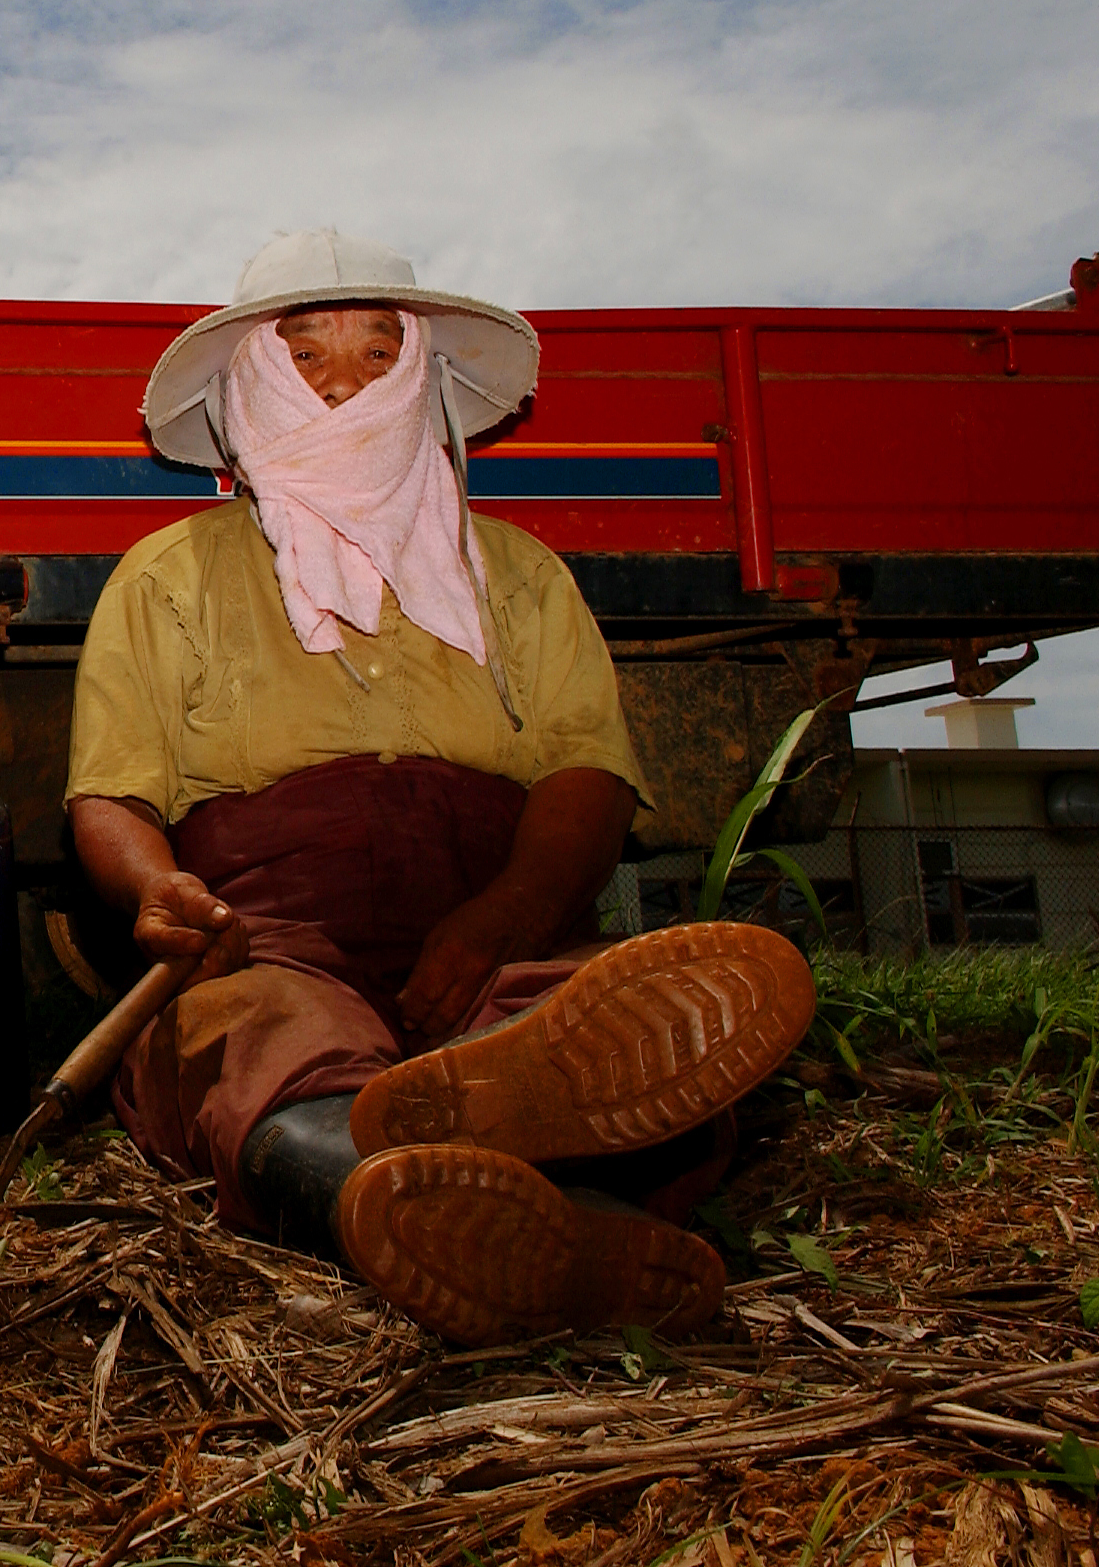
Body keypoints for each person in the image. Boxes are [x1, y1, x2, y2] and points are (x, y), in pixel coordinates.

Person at [65, 227, 816, 1346]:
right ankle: (524, 1220)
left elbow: (583, 772)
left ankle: (501, 1157)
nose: (341, 386)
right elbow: (110, 793)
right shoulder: (166, 573)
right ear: (248, 386)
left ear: (418, 376)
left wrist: (499, 918)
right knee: (264, 1039)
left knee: (579, 1025)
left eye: (377, 354)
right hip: (268, 934)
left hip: (499, 916)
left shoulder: (515, 569)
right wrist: (157, 888)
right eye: (305, 356)